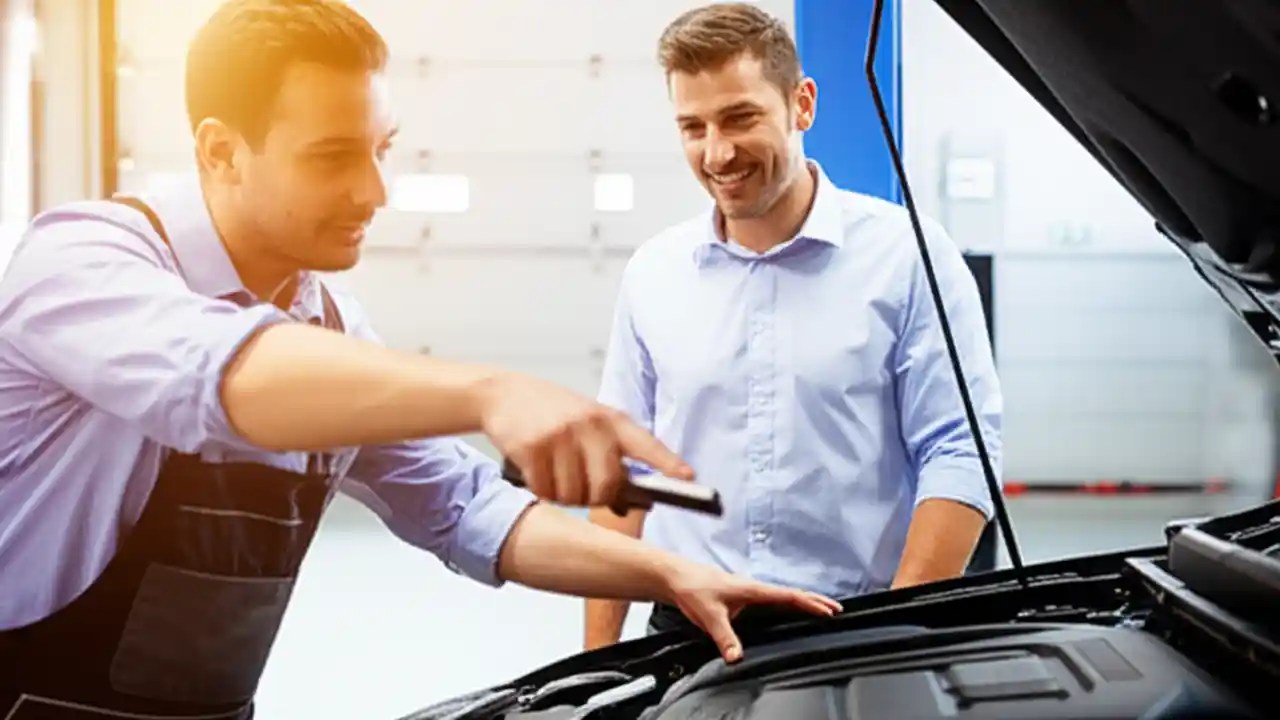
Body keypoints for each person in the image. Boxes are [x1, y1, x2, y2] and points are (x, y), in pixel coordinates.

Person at [0, 1, 843, 718]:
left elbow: (466, 507)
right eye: (333, 157)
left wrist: (672, 576)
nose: (375, 192)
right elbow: (223, 380)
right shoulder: (82, 263)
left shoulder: (326, 324)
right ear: (222, 151)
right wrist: (489, 392)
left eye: (383, 147)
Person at [584, 2, 1002, 650]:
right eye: (692, 127)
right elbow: (624, 475)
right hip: (687, 627)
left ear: (801, 104)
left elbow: (959, 453)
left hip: (856, 624)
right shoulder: (653, 273)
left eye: (740, 117)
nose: (717, 152)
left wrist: (894, 635)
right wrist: (597, 660)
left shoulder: (908, 257)